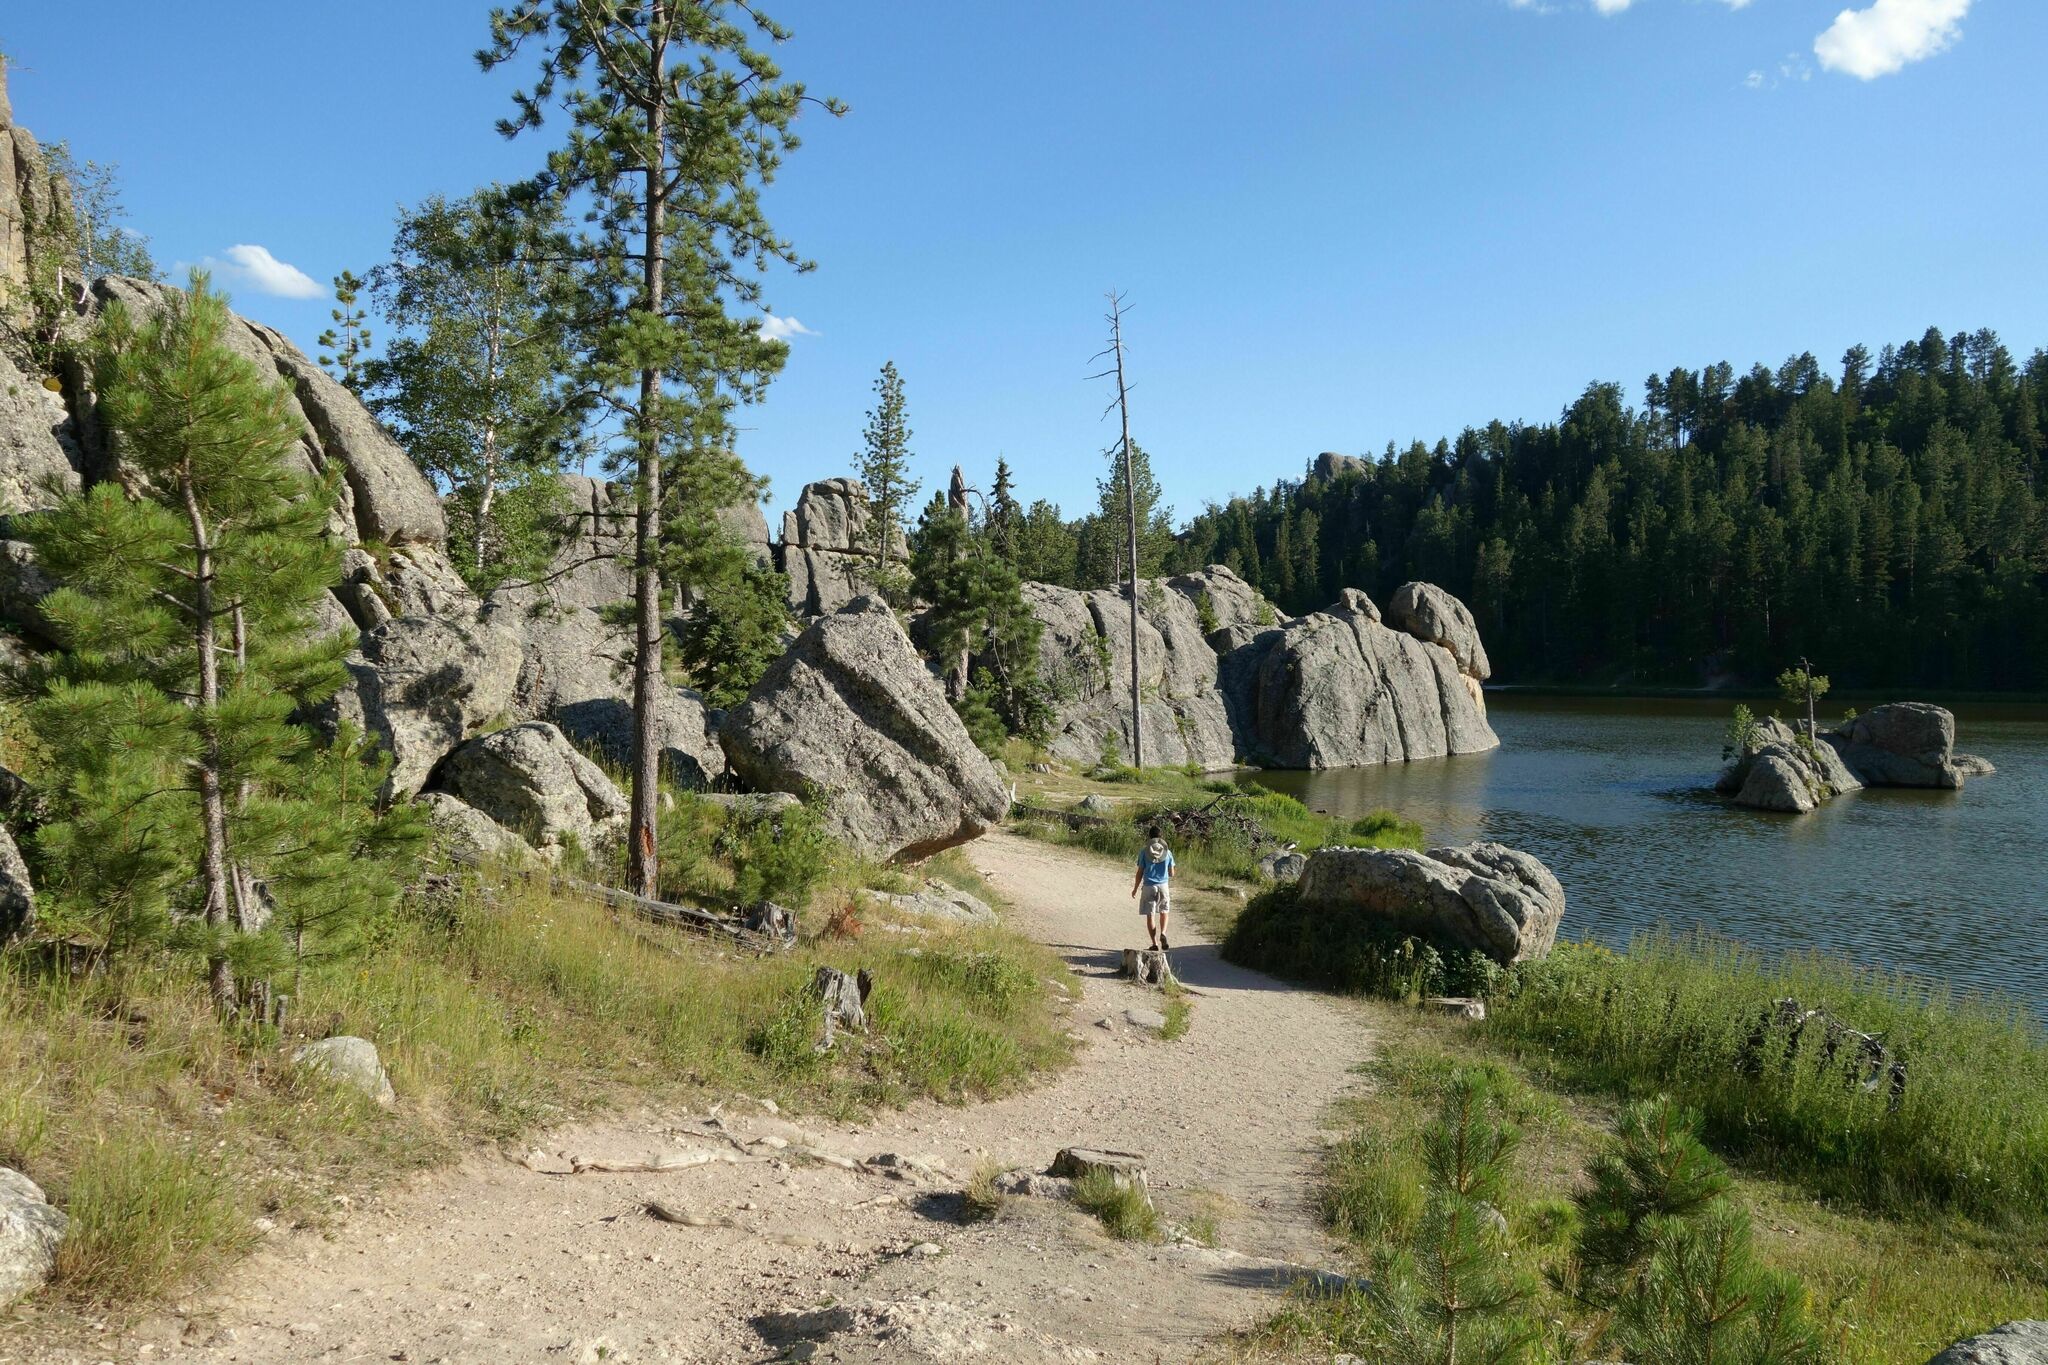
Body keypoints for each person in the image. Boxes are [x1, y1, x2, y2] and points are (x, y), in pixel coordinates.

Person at [1131, 824, 1174, 951]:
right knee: (1164, 912)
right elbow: (1171, 873)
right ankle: (1163, 933)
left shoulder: (1144, 852)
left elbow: (1140, 872)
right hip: (1163, 886)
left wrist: (1135, 888)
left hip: (1149, 886)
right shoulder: (1168, 853)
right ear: (1161, 838)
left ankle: (1154, 944)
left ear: (1149, 837)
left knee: (1150, 915)